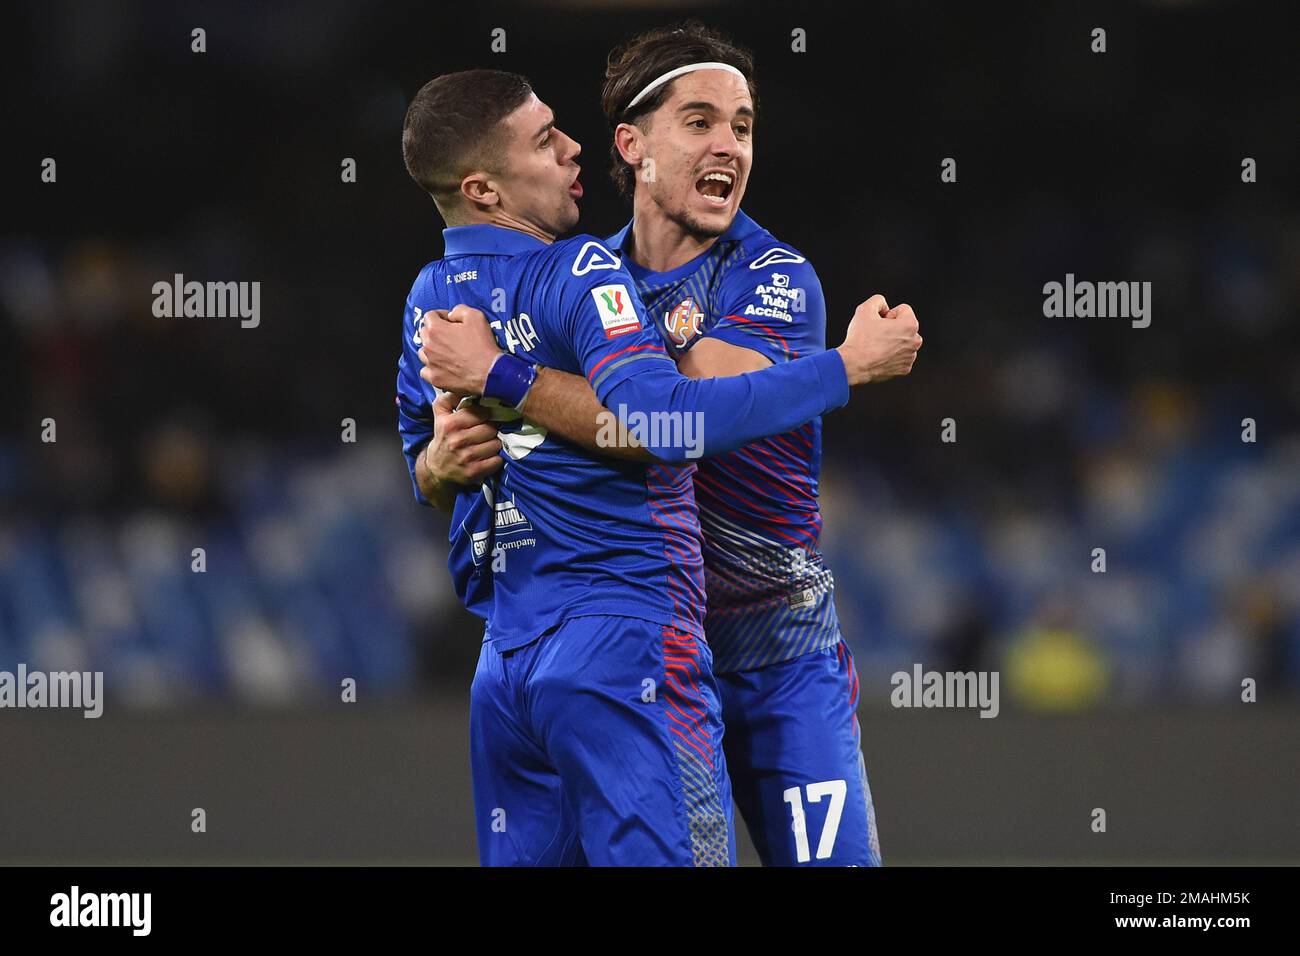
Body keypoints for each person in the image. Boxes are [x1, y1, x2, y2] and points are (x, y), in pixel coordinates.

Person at [419, 24, 922, 866]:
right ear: (632, 146)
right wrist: (442, 462)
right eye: (699, 121)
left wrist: (505, 376)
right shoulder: (577, 276)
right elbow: (490, 452)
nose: (730, 144)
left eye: (745, 125)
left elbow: (680, 421)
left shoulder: (774, 276)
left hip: (776, 661)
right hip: (629, 646)